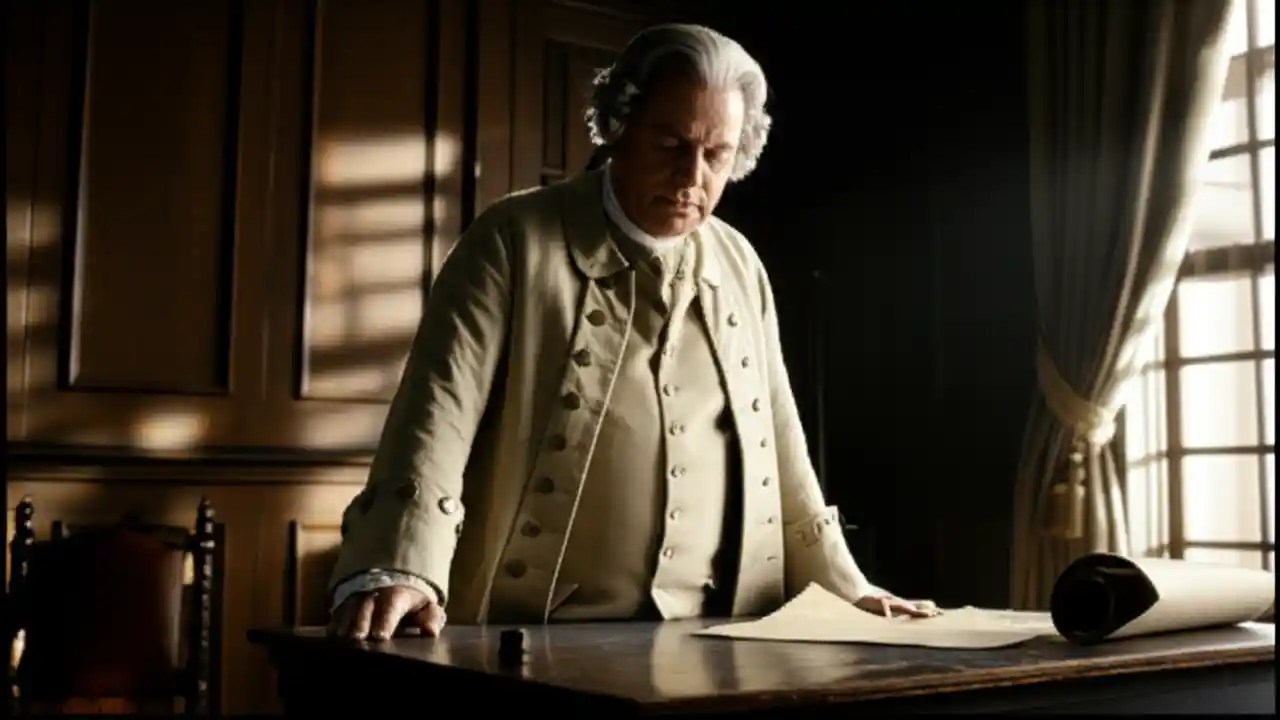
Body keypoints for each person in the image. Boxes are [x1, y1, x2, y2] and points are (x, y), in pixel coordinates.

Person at [327, 23, 936, 641]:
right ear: (619, 125)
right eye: (670, 143)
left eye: (716, 154)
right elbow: (438, 411)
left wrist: (846, 586)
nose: (691, 175)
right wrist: (400, 566)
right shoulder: (512, 239)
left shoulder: (739, 262)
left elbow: (779, 438)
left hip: (719, 629)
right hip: (538, 630)